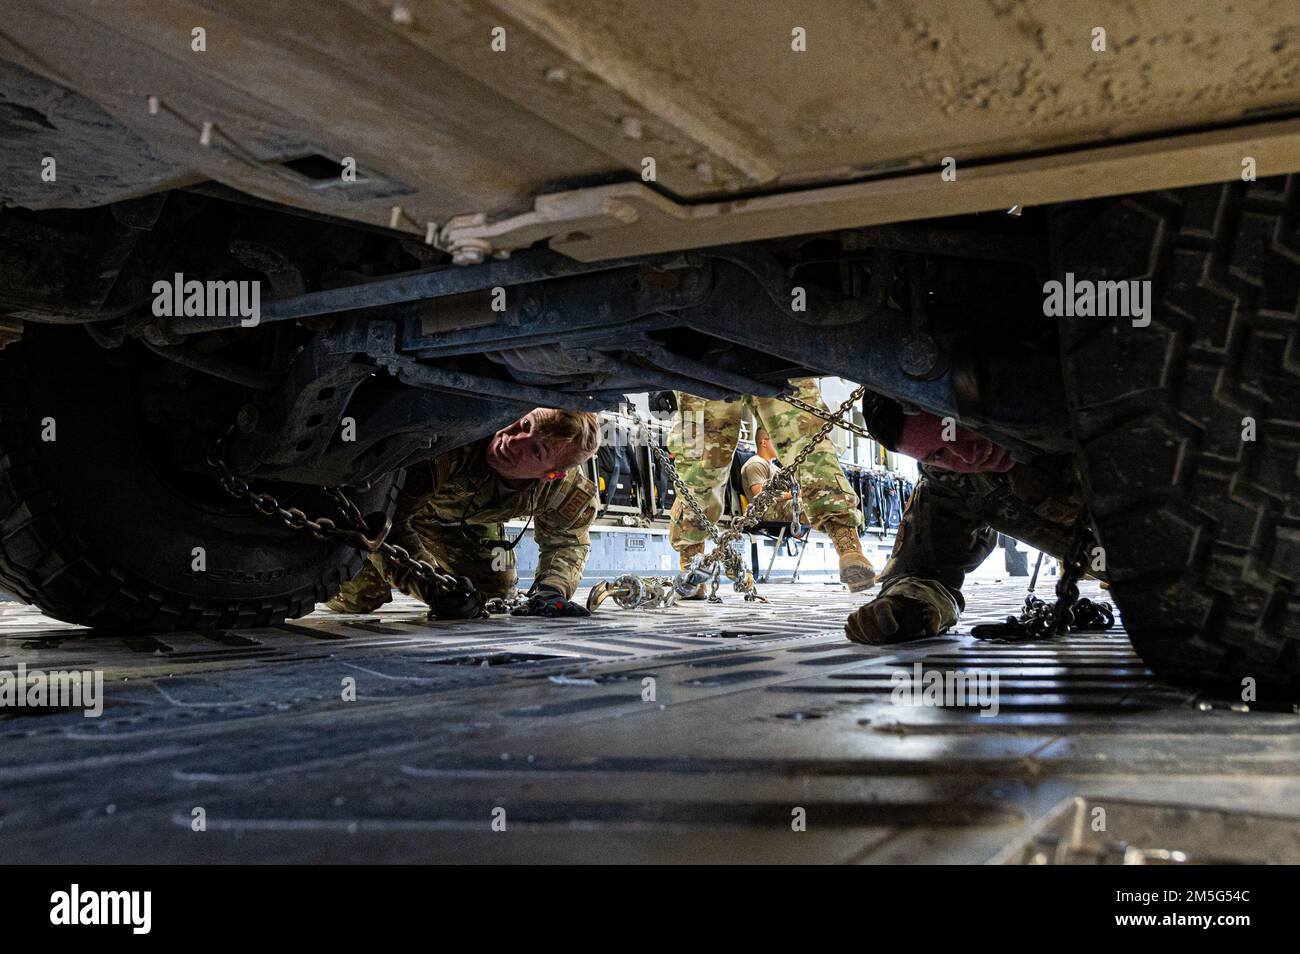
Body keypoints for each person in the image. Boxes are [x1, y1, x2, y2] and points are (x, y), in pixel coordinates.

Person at [844, 393, 1093, 645]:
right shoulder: (954, 480)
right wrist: (908, 607)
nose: (969, 455)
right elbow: (926, 571)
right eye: (939, 453)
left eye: (959, 427)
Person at [326, 408, 601, 619]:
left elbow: (567, 541)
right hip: (397, 514)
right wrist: (431, 586)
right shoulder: (454, 443)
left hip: (462, 524)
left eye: (536, 451)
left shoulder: (566, 489)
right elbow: (386, 518)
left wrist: (552, 589)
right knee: (362, 597)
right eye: (525, 424)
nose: (512, 440)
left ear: (551, 475)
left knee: (493, 594)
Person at [667, 378, 875, 596]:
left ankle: (690, 566)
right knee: (805, 439)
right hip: (768, 361)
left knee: (701, 466)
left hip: (703, 365)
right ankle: (849, 549)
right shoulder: (757, 464)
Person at [739, 429, 796, 522]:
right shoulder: (755, 463)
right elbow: (761, 497)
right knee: (802, 505)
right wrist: (795, 494)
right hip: (766, 512)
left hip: (779, 507)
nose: (782, 445)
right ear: (764, 443)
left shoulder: (775, 468)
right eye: (777, 441)